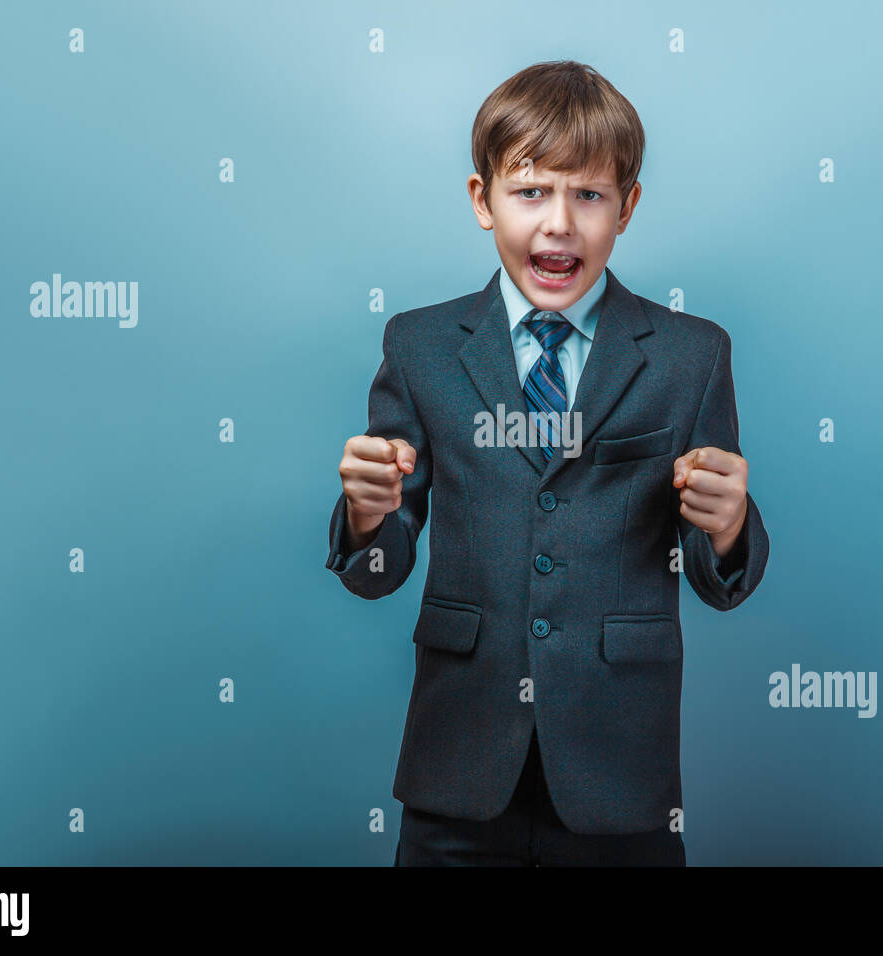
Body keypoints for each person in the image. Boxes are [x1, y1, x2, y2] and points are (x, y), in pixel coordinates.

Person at [326, 59, 769, 866]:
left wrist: (731, 525)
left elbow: (717, 580)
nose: (559, 224)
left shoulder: (690, 355)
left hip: (619, 771)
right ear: (482, 201)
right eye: (531, 191)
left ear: (627, 208)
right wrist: (367, 515)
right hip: (458, 763)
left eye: (589, 195)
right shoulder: (420, 347)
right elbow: (377, 570)